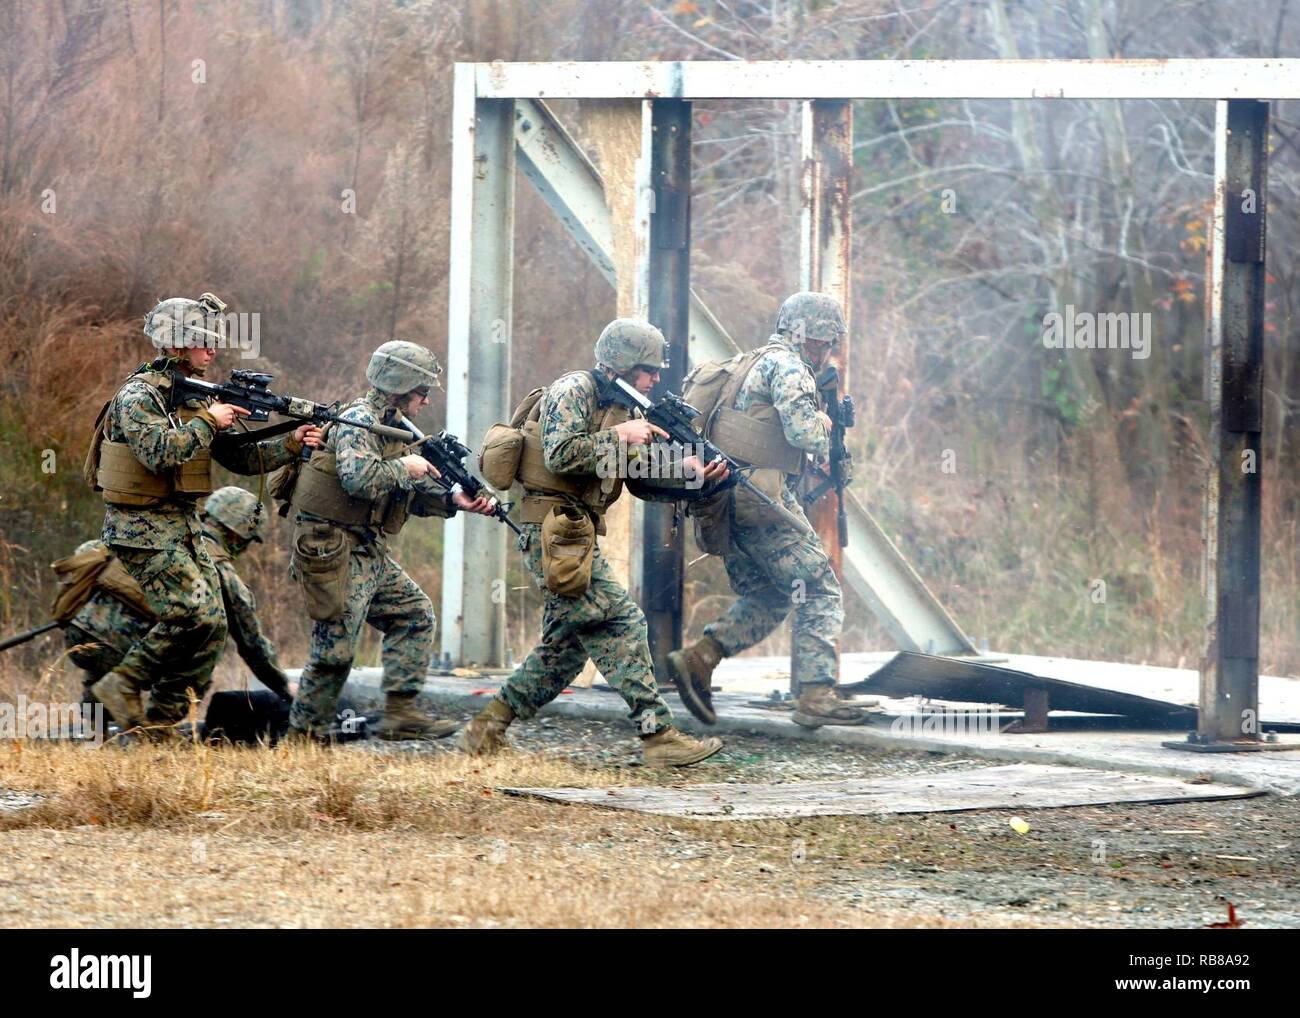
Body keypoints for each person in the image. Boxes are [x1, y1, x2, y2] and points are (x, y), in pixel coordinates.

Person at [461, 318, 728, 767]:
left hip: (574, 531)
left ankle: (486, 728)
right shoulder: (575, 390)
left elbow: (637, 472)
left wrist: (691, 474)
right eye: (649, 368)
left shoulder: (626, 407)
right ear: (622, 365)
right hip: (550, 527)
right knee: (619, 621)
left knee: (564, 649)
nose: (656, 378)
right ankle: (657, 735)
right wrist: (619, 437)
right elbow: (559, 453)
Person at [87, 293, 321, 737]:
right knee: (197, 615)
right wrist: (211, 421)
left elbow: (238, 458)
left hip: (181, 527)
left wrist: (293, 444)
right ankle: (120, 685)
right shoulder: (139, 395)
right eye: (201, 341)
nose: (212, 349)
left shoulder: (193, 397)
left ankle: (158, 727)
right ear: (175, 345)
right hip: (141, 529)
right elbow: (158, 453)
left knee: (210, 629)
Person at [667, 292, 871, 729]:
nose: (829, 350)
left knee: (773, 594)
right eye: (828, 341)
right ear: (815, 339)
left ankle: (700, 658)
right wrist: (827, 426)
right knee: (819, 589)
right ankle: (816, 695)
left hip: (723, 502)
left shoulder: (749, 362)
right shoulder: (790, 367)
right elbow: (805, 432)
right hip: (758, 501)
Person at [284, 340, 496, 743]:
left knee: (414, 615)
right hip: (332, 547)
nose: (426, 400)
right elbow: (359, 480)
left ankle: (400, 712)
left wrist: (454, 500)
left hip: (366, 549)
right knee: (335, 653)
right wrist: (407, 466)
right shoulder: (359, 422)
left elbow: (402, 493)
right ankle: (302, 740)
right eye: (422, 391)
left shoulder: (395, 427)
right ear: (400, 385)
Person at [64, 486, 293, 707]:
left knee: (110, 639)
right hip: (125, 654)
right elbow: (253, 646)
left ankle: (96, 727)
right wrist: (286, 688)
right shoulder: (220, 572)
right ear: (236, 535)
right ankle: (156, 728)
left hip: (79, 637)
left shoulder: (154, 536)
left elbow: (88, 552)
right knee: (203, 652)